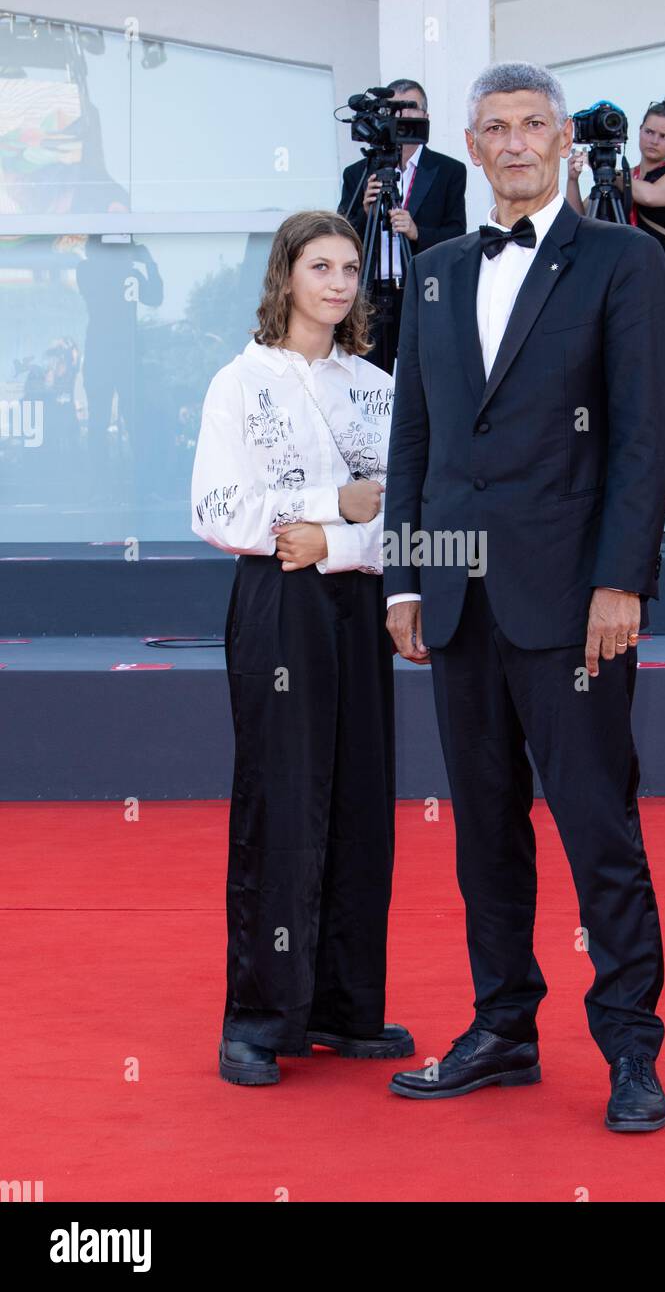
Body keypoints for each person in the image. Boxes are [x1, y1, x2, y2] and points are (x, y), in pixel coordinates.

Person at [383, 62, 665, 1131]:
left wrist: (619, 581)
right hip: (456, 596)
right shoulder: (433, 273)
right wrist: (405, 581)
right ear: (470, 142)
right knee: (482, 832)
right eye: (493, 126)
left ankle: (630, 1048)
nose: (512, 142)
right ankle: (501, 1026)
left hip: (572, 599)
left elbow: (642, 438)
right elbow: (413, 435)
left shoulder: (621, 261)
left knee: (598, 827)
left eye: (531, 124)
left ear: (560, 140)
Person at [190, 209, 413, 1085]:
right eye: (320, 266)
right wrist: (331, 504)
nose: (339, 283)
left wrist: (338, 541)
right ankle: (257, 1016)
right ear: (285, 276)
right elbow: (214, 513)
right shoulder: (238, 385)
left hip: (356, 600)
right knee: (282, 804)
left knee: (362, 800)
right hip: (278, 603)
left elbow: (404, 510)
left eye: (351, 268)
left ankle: (347, 1008)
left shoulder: (377, 386)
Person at [567, 93, 665, 498]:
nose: (654, 141)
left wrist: (605, 169)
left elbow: (650, 197)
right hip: (623, 288)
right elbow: (577, 220)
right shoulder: (614, 179)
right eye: (648, 131)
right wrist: (576, 177)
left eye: (663, 135)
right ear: (638, 131)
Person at [338, 79, 467, 372]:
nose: (403, 119)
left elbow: (457, 237)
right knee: (367, 384)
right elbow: (339, 237)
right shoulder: (358, 173)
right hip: (370, 295)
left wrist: (416, 231)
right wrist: (364, 211)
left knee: (423, 378)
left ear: (426, 117)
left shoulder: (449, 171)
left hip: (420, 292)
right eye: (395, 110)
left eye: (412, 110)